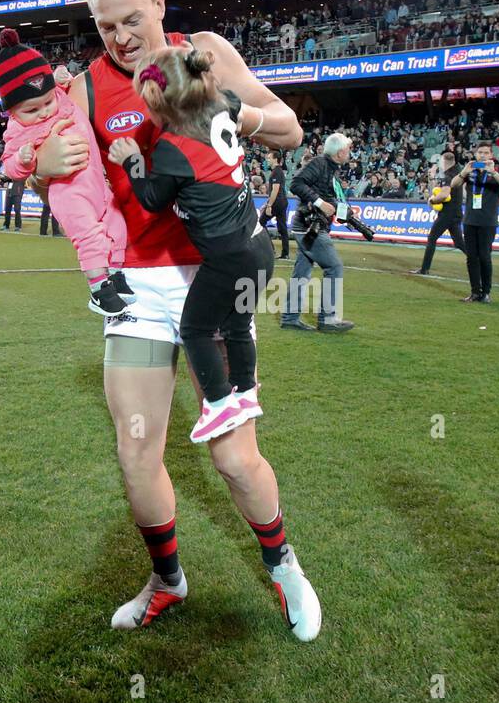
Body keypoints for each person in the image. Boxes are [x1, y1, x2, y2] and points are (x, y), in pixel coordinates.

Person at [27, 0, 320, 641]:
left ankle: (283, 567)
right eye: (105, 28)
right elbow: (60, 184)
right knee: (136, 452)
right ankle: (167, 580)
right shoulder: (85, 90)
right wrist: (38, 171)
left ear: (160, 3)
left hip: (216, 275)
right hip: (138, 283)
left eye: (132, 19)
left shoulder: (205, 52)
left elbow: (289, 128)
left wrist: (229, 111)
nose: (121, 38)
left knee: (232, 456)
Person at [107, 47, 275, 443]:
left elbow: (152, 199)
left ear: (161, 108)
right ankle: (246, 392)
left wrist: (133, 160)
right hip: (258, 246)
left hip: (227, 257)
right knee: (236, 326)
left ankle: (217, 404)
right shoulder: (224, 103)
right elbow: (233, 103)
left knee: (195, 329)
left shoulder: (171, 146)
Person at [0, 28, 132, 313]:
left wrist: (61, 77)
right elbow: (8, 165)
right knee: (89, 235)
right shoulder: (18, 131)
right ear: (12, 111)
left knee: (117, 223)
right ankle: (98, 287)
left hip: (96, 182)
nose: (44, 112)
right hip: (67, 191)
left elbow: (61, 84)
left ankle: (117, 275)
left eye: (47, 102)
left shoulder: (59, 97)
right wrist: (25, 160)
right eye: (32, 110)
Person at [280, 132, 356, 332]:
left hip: (307, 226)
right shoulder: (320, 163)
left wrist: (337, 208)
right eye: (347, 149)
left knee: (302, 271)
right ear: (339, 153)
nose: (350, 152)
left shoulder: (329, 168)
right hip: (310, 226)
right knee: (334, 267)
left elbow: (323, 193)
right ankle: (328, 319)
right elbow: (296, 183)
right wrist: (320, 202)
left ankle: (290, 317)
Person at [451, 142, 499, 303]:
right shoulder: (470, 172)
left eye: (486, 153)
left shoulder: (497, 172)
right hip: (470, 220)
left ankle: (486, 292)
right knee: (471, 258)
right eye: (480, 153)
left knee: (484, 256)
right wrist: (463, 172)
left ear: (491, 155)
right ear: (476, 155)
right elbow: (453, 185)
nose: (482, 155)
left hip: (488, 222)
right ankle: (475, 292)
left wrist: (493, 172)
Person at [410, 151, 465, 275]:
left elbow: (444, 194)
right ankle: (476, 259)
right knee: (459, 242)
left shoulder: (449, 176)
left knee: (432, 238)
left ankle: (425, 269)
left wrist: (432, 200)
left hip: (448, 213)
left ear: (444, 162)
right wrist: (433, 177)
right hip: (455, 212)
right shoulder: (457, 172)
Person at [258, 152, 290, 259]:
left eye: (269, 158)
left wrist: (269, 205)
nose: (267, 160)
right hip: (282, 201)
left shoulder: (276, 172)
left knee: (261, 223)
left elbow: (275, 190)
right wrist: (267, 203)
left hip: (277, 202)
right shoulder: (278, 171)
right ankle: (285, 253)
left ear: (275, 159)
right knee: (282, 228)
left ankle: (271, 250)